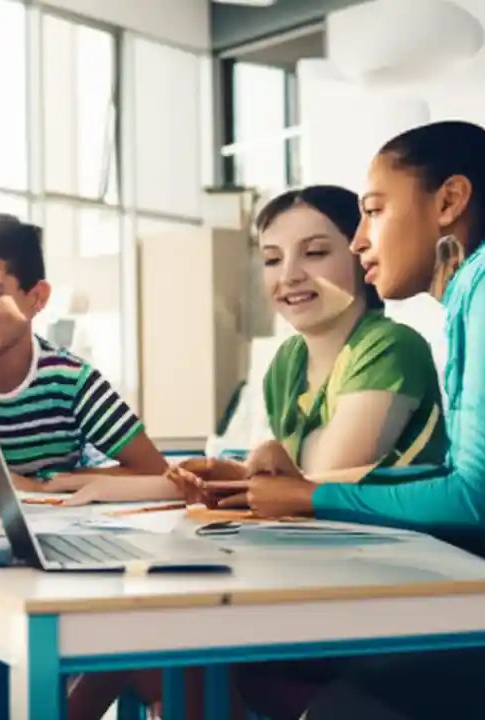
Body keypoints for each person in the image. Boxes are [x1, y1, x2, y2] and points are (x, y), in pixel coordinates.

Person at [66, 186, 450, 719]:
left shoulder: (390, 346)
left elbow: (314, 482)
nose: (288, 274)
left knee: (152, 630)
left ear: (360, 254)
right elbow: (273, 485)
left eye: (315, 254)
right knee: (136, 624)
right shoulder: (287, 362)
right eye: (272, 259)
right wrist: (89, 489)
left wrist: (252, 472)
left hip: (392, 591)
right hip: (316, 575)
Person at [209, 120, 485, 719]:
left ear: (449, 202)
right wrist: (305, 492)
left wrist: (311, 498)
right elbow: (457, 473)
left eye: (372, 211)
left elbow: (483, 503)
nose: (360, 241)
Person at [0, 213, 170, 719]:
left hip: (56, 561)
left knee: (141, 624)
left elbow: (157, 475)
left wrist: (44, 485)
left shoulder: (70, 379)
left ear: (37, 298)